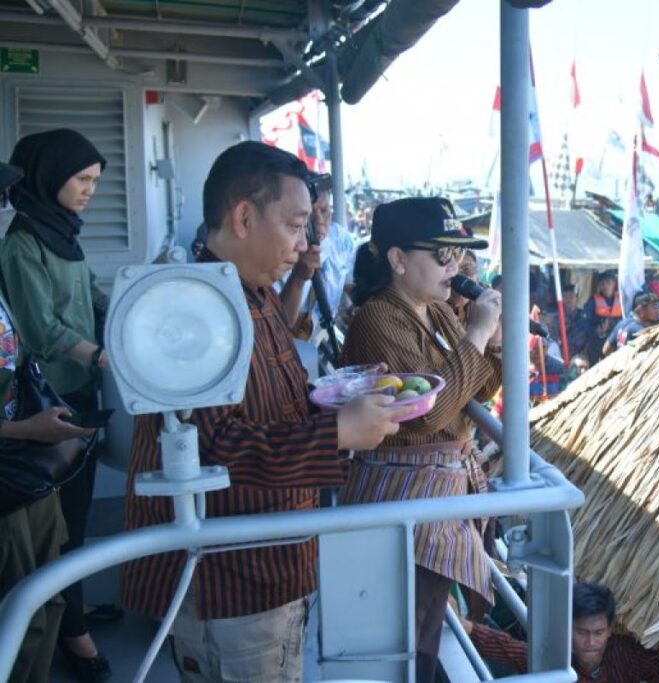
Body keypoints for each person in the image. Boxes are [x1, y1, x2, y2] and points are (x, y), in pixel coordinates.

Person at [120, 142, 410, 682]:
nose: (304, 245)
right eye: (297, 224)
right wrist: (338, 434)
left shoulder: (248, 293)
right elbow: (207, 452)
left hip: (270, 562)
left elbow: (270, 403)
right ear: (245, 217)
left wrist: (335, 406)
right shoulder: (191, 311)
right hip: (233, 585)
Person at [340, 196, 503, 682]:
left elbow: (478, 388)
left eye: (457, 255)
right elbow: (427, 416)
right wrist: (476, 334)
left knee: (428, 622)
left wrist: (495, 340)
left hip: (438, 497)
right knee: (408, 633)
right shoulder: (379, 318)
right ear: (397, 259)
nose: (453, 266)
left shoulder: (437, 312)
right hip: (406, 499)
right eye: (441, 254)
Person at [0, 128, 112, 682]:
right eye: (83, 179)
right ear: (51, 177)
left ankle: (71, 608)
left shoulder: (65, 232)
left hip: (80, 388)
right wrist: (101, 356)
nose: (90, 190)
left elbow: (94, 293)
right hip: (50, 399)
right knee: (58, 521)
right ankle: (70, 632)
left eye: (96, 180)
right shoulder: (22, 243)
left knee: (77, 516)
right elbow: (41, 328)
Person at [464, 581, 659, 682]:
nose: (590, 641)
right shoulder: (553, 657)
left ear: (610, 630)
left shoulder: (628, 653)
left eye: (598, 633)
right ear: (567, 628)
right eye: (582, 632)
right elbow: (506, 648)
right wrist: (466, 628)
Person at [280, 181, 357, 341]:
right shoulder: (281, 249)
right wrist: (298, 277)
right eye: (308, 214)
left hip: (325, 339)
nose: (318, 220)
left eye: (324, 211)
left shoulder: (340, 240)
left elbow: (349, 286)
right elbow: (278, 324)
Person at [602, 292, 659, 356]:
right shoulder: (640, 331)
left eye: (658, 306)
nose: (658, 310)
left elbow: (605, 350)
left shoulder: (622, 324)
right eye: (654, 307)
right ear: (641, 310)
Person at [581, 272, 622, 365]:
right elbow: (585, 323)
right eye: (602, 284)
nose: (605, 286)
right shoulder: (593, 301)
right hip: (598, 341)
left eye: (608, 283)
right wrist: (597, 331)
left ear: (614, 284)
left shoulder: (622, 298)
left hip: (617, 339)